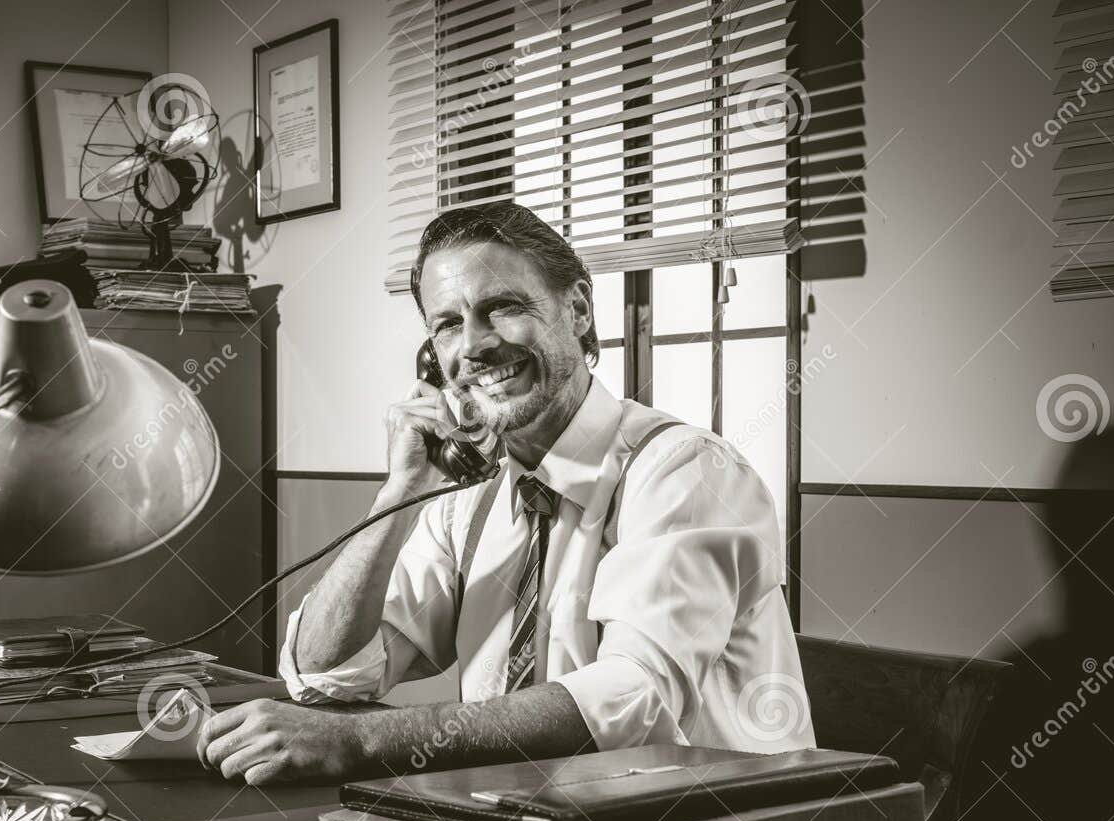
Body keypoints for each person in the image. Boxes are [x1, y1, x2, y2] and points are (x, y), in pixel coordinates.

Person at [198, 201, 811, 785]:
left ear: (576, 311)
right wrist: (398, 492)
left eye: (502, 307)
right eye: (447, 326)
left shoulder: (685, 471)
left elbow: (634, 700)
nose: (474, 345)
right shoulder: (468, 493)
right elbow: (324, 674)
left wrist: (360, 743)